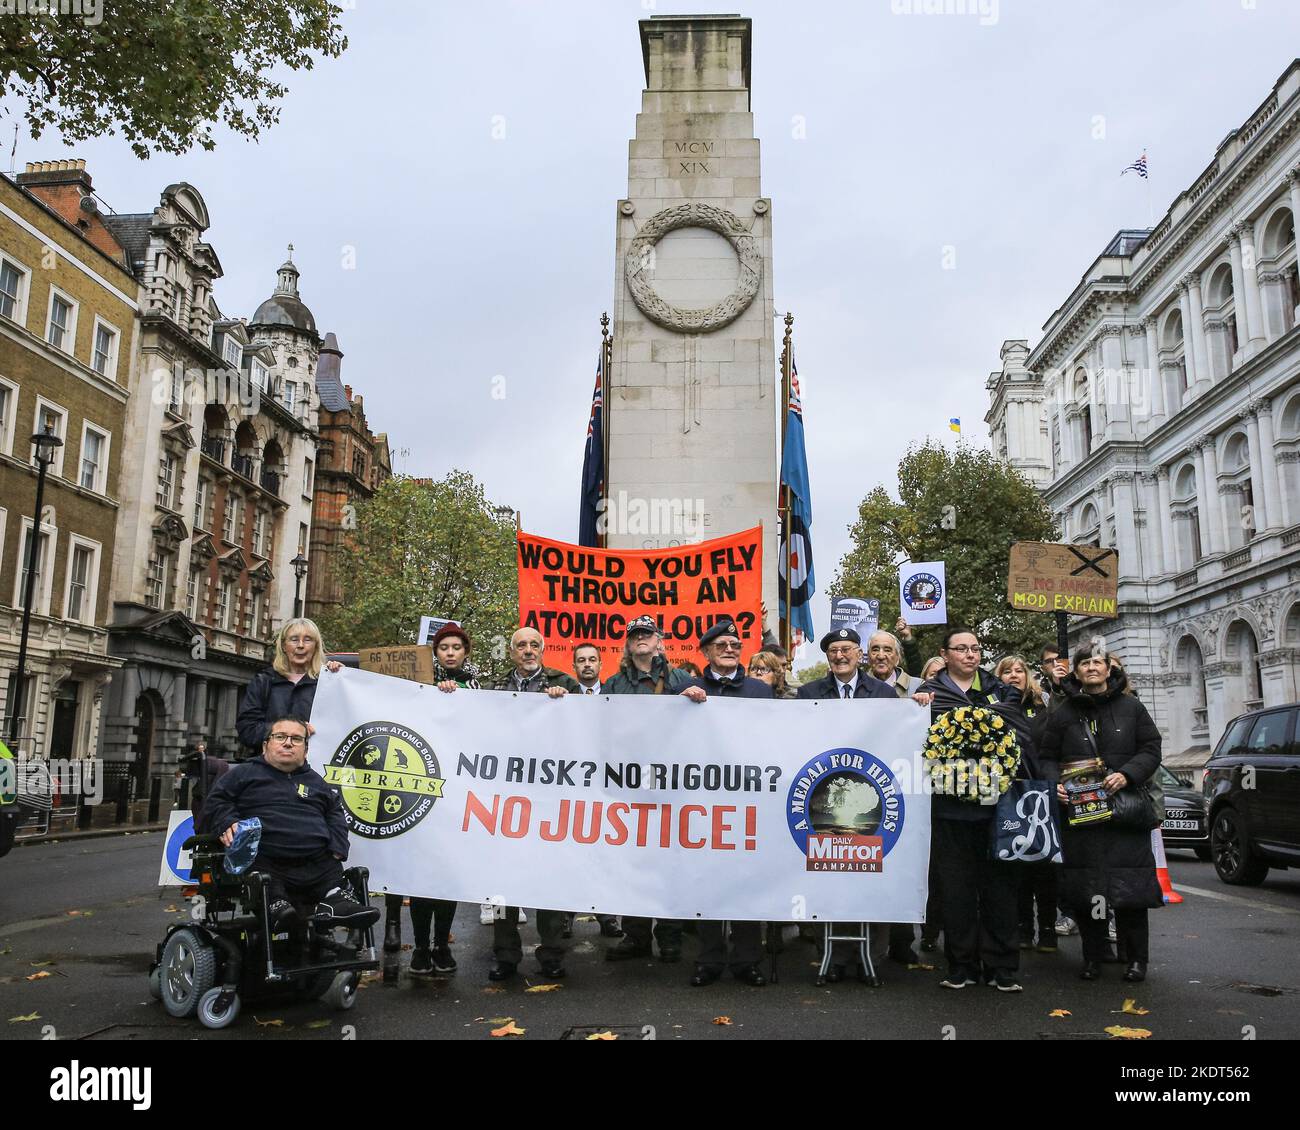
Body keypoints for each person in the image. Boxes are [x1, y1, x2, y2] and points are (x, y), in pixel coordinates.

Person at [1038, 646, 1163, 984]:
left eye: (1097, 662)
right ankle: (1093, 957)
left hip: (1124, 815)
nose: (1091, 668)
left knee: (1131, 889)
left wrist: (1127, 774)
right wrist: (1055, 786)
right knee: (1088, 889)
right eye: (1085, 663)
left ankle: (1136, 959)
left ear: (1109, 669)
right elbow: (1046, 756)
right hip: (1081, 815)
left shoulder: (1131, 708)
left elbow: (1151, 748)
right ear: (1076, 671)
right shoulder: (1063, 713)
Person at [201, 715, 377, 930]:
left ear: (305, 750)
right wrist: (227, 822)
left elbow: (334, 812)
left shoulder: (316, 781)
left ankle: (335, 903)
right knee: (267, 880)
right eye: (280, 737)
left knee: (332, 874)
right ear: (266, 745)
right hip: (267, 859)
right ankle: (277, 906)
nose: (288, 743)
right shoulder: (243, 774)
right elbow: (217, 801)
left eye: (296, 739)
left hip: (317, 861)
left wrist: (338, 847)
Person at [919, 628, 1021, 992]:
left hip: (995, 808)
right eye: (961, 649)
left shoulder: (1002, 690)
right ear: (945, 654)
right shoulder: (928, 694)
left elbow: (1019, 732)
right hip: (949, 810)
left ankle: (1002, 966)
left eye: (975, 648)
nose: (970, 655)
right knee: (956, 890)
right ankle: (960, 965)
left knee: (1000, 890)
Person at [679, 618, 772, 986]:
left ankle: (747, 959)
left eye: (735, 644)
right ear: (706, 652)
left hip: (749, 801)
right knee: (707, 881)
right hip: (704, 802)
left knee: (746, 880)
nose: (730, 649)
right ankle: (709, 959)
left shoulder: (760, 691)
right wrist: (683, 703)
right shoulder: (690, 689)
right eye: (721, 645)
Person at [383, 623, 476, 976]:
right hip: (420, 785)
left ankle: (441, 945)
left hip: (458, 788)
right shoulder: (418, 684)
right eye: (443, 648)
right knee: (421, 874)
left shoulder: (477, 686)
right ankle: (420, 947)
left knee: (445, 873)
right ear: (434, 652)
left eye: (456, 647)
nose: (450, 653)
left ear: (466, 652)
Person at [602, 615, 692, 961]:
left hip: (671, 784)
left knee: (669, 861)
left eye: (647, 634)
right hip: (629, 784)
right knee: (634, 861)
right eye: (635, 634)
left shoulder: (679, 678)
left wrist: (698, 697)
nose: (641, 639)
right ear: (628, 644)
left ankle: (669, 937)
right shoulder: (614, 684)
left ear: (659, 641)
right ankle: (636, 936)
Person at [489, 628, 578, 980]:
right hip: (505, 796)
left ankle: (552, 953)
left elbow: (584, 727)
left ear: (543, 650)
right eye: (521, 646)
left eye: (534, 645)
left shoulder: (563, 683)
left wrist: (564, 702)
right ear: (511, 652)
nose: (528, 651)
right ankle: (505, 955)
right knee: (501, 880)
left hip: (550, 796)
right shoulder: (494, 689)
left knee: (549, 877)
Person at [993, 655, 1058, 956]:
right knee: (1015, 859)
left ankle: (1047, 930)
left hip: (1040, 789)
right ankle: (1022, 928)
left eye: (1020, 671)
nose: (1014, 676)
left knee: (1044, 861)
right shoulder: (994, 707)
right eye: (1007, 671)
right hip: (1007, 791)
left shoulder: (1043, 707)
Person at [236, 618, 341, 749]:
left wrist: (342, 678)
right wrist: (287, 732)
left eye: (308, 640)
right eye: (294, 639)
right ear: (284, 646)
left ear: (316, 647)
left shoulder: (328, 682)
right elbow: (247, 729)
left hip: (313, 766)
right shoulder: (264, 681)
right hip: (270, 766)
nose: (301, 645)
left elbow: (342, 727)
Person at [796, 629, 896, 700]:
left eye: (846, 650)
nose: (839, 656)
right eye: (833, 651)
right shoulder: (808, 694)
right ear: (827, 656)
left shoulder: (884, 693)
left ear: (860, 654)